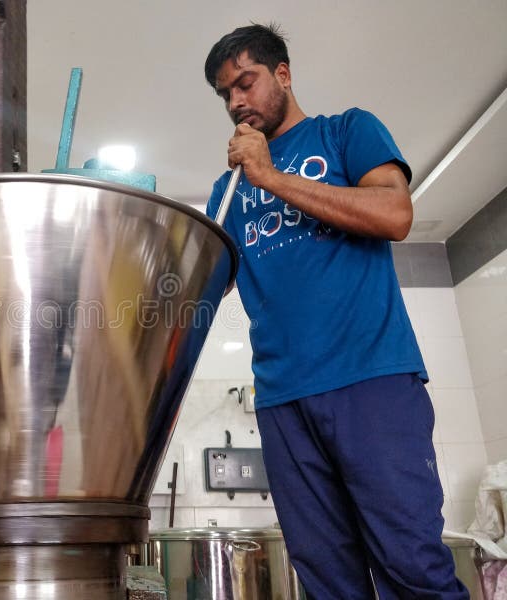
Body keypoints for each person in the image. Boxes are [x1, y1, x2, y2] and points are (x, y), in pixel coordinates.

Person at [204, 23, 469, 599]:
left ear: (282, 74)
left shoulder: (347, 131)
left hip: (370, 380)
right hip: (281, 399)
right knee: (326, 579)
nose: (236, 103)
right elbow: (204, 290)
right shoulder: (227, 193)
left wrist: (270, 176)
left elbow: (394, 214)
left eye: (245, 83)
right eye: (225, 94)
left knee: (412, 566)